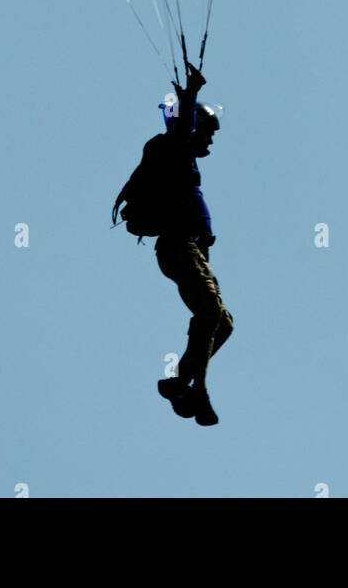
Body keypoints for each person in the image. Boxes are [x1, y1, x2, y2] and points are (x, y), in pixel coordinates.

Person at [150, 61, 234, 426]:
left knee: (224, 323)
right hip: (178, 245)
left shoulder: (181, 158)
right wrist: (191, 94)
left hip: (192, 250)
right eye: (209, 131)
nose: (212, 139)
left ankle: (180, 382)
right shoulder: (173, 151)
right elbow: (182, 131)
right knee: (211, 313)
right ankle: (197, 387)